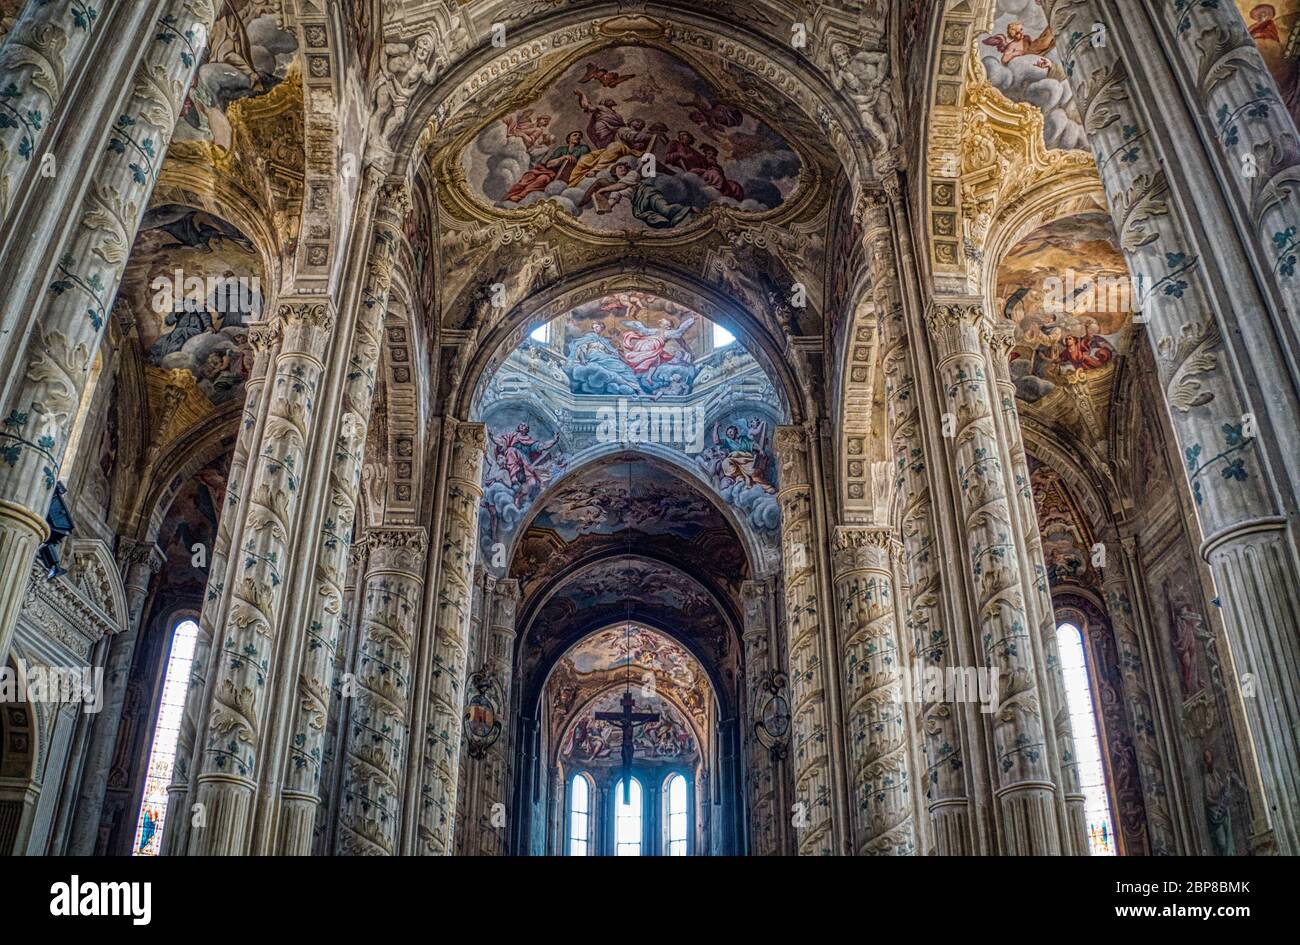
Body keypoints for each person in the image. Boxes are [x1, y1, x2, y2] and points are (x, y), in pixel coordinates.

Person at [505, 131, 590, 202]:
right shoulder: (561, 149)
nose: (578, 137)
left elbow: (574, 160)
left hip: (557, 175)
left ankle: (520, 196)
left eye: (580, 136)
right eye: (575, 135)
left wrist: (561, 160)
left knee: (543, 178)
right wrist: (563, 157)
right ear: (569, 138)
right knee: (528, 177)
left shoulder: (583, 148)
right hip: (546, 169)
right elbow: (549, 164)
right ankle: (509, 196)